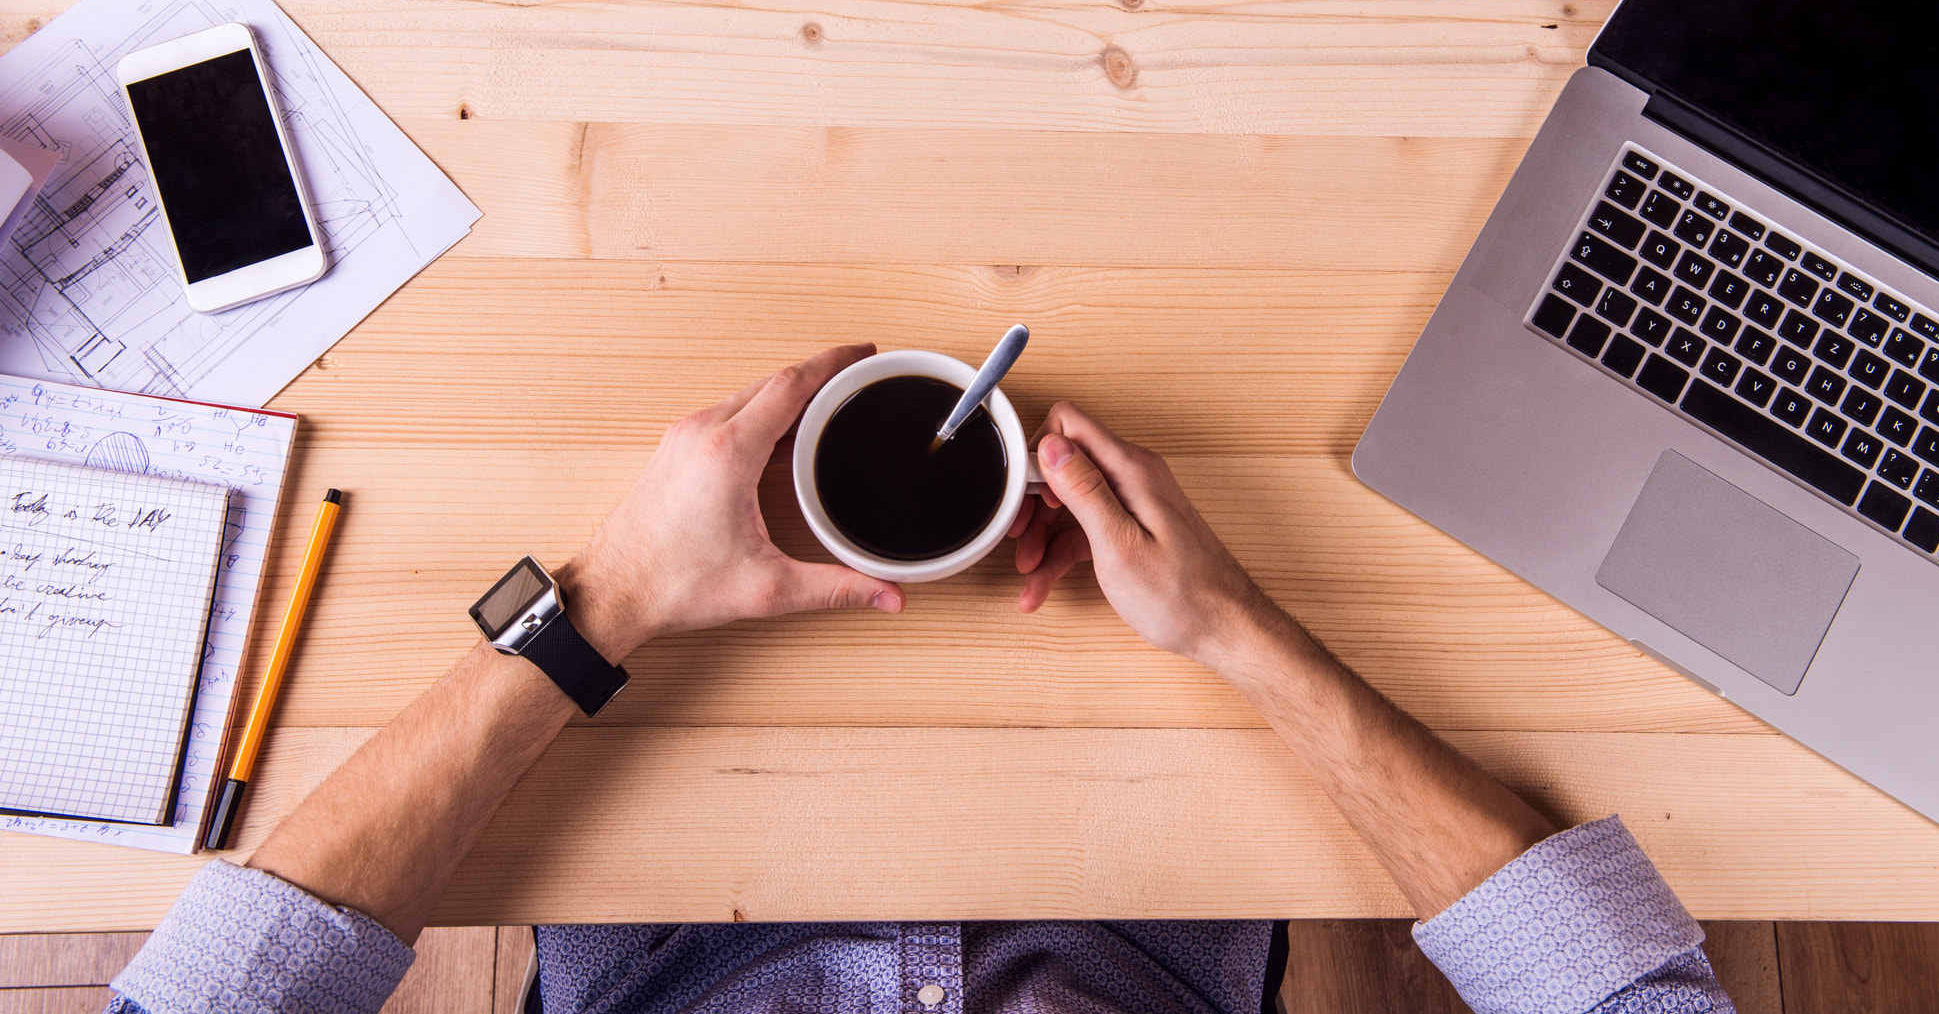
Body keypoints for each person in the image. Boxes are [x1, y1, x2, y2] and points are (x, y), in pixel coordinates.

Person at [104, 345, 1734, 1014]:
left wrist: (599, 601)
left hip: (662, 889)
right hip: (1159, 880)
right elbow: (1620, 995)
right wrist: (1237, 628)